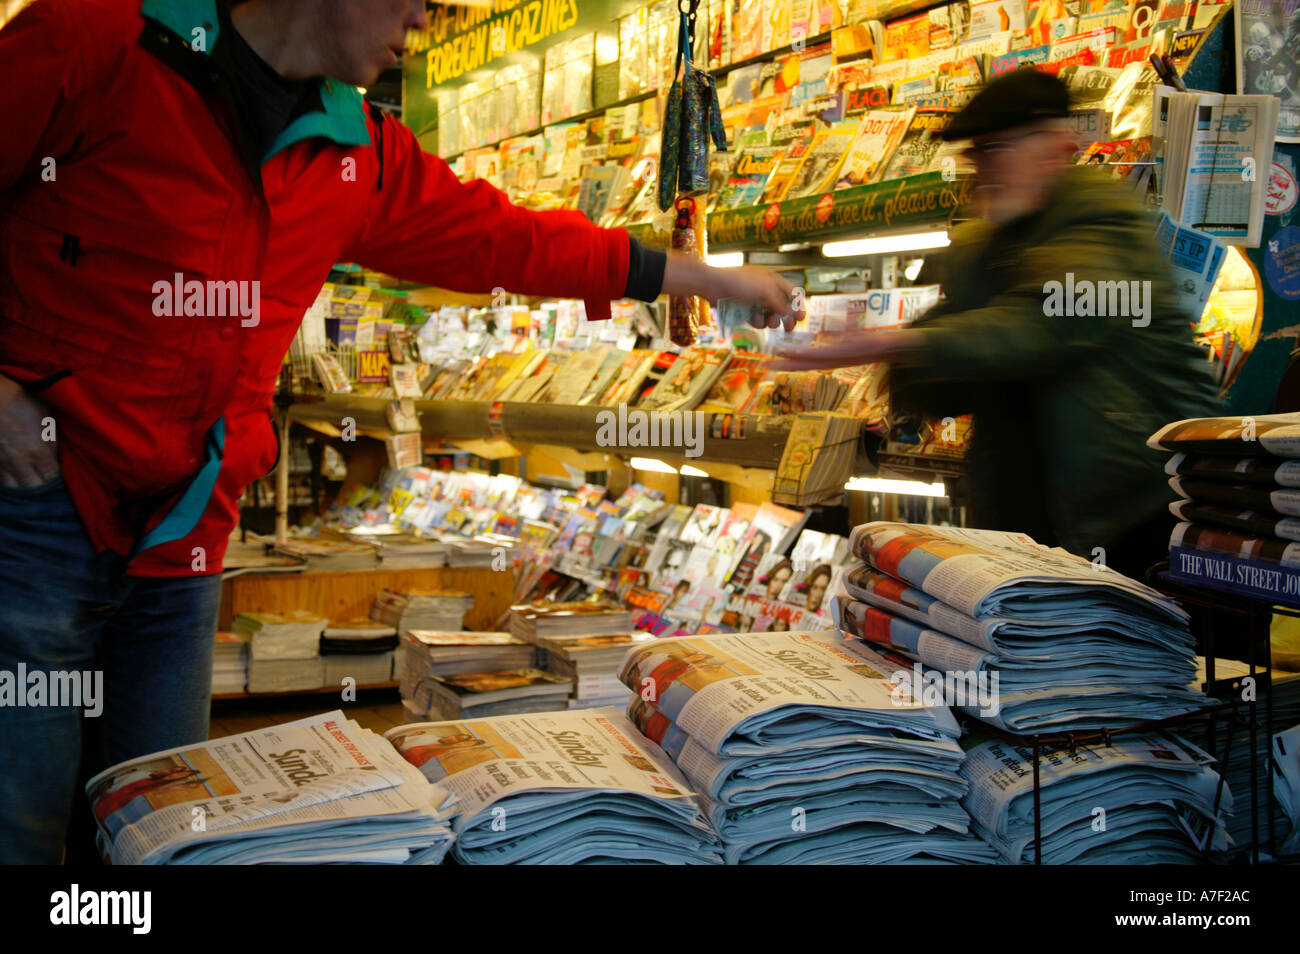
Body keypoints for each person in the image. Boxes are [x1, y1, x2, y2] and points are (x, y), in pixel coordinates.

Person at [0, 0, 800, 864]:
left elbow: (501, 240)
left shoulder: (356, 149)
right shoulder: (100, 41)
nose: (426, 15)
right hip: (33, 512)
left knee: (164, 827)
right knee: (22, 820)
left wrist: (694, 274)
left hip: (185, 536)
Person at [768, 69, 1219, 579]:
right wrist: (896, 368)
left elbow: (1046, 322)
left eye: (994, 149)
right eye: (974, 154)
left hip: (1136, 519)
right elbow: (956, 368)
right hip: (1033, 529)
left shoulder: (1103, 217)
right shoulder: (987, 241)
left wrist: (904, 342)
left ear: (1055, 144)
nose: (981, 169)